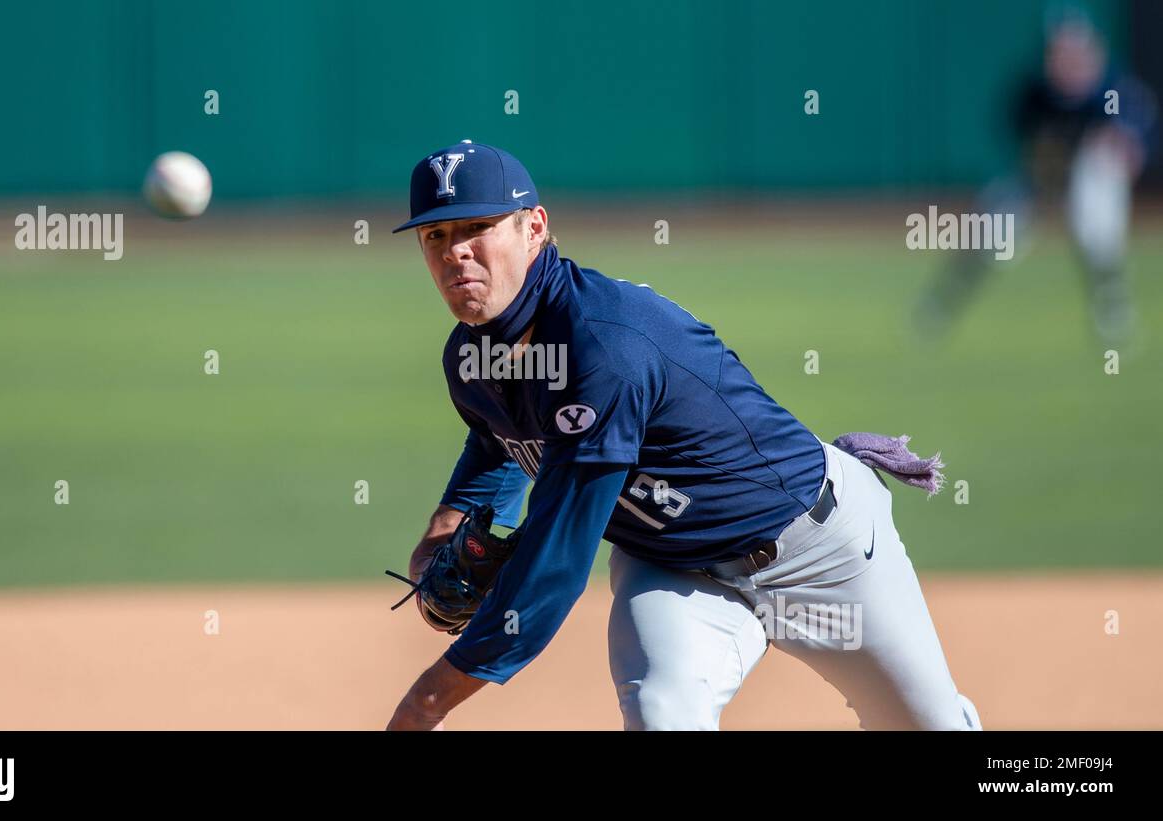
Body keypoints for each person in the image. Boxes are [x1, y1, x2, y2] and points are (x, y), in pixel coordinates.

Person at [386, 140, 981, 731]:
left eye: (476, 226)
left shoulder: (602, 348)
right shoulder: (471, 356)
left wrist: (428, 703)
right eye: (434, 236)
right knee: (663, 716)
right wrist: (444, 526)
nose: (455, 251)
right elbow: (500, 441)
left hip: (820, 551)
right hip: (675, 570)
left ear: (534, 228)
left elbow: (555, 563)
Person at [916, 14, 1157, 346]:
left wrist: (1119, 149)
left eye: (1075, 53)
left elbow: (1131, 144)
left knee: (1097, 226)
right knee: (989, 229)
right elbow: (1023, 141)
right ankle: (940, 307)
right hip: (1043, 172)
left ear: (1093, 54)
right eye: (1059, 54)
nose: (1067, 62)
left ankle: (1113, 316)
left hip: (1092, 173)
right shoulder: (1034, 92)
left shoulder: (1113, 90)